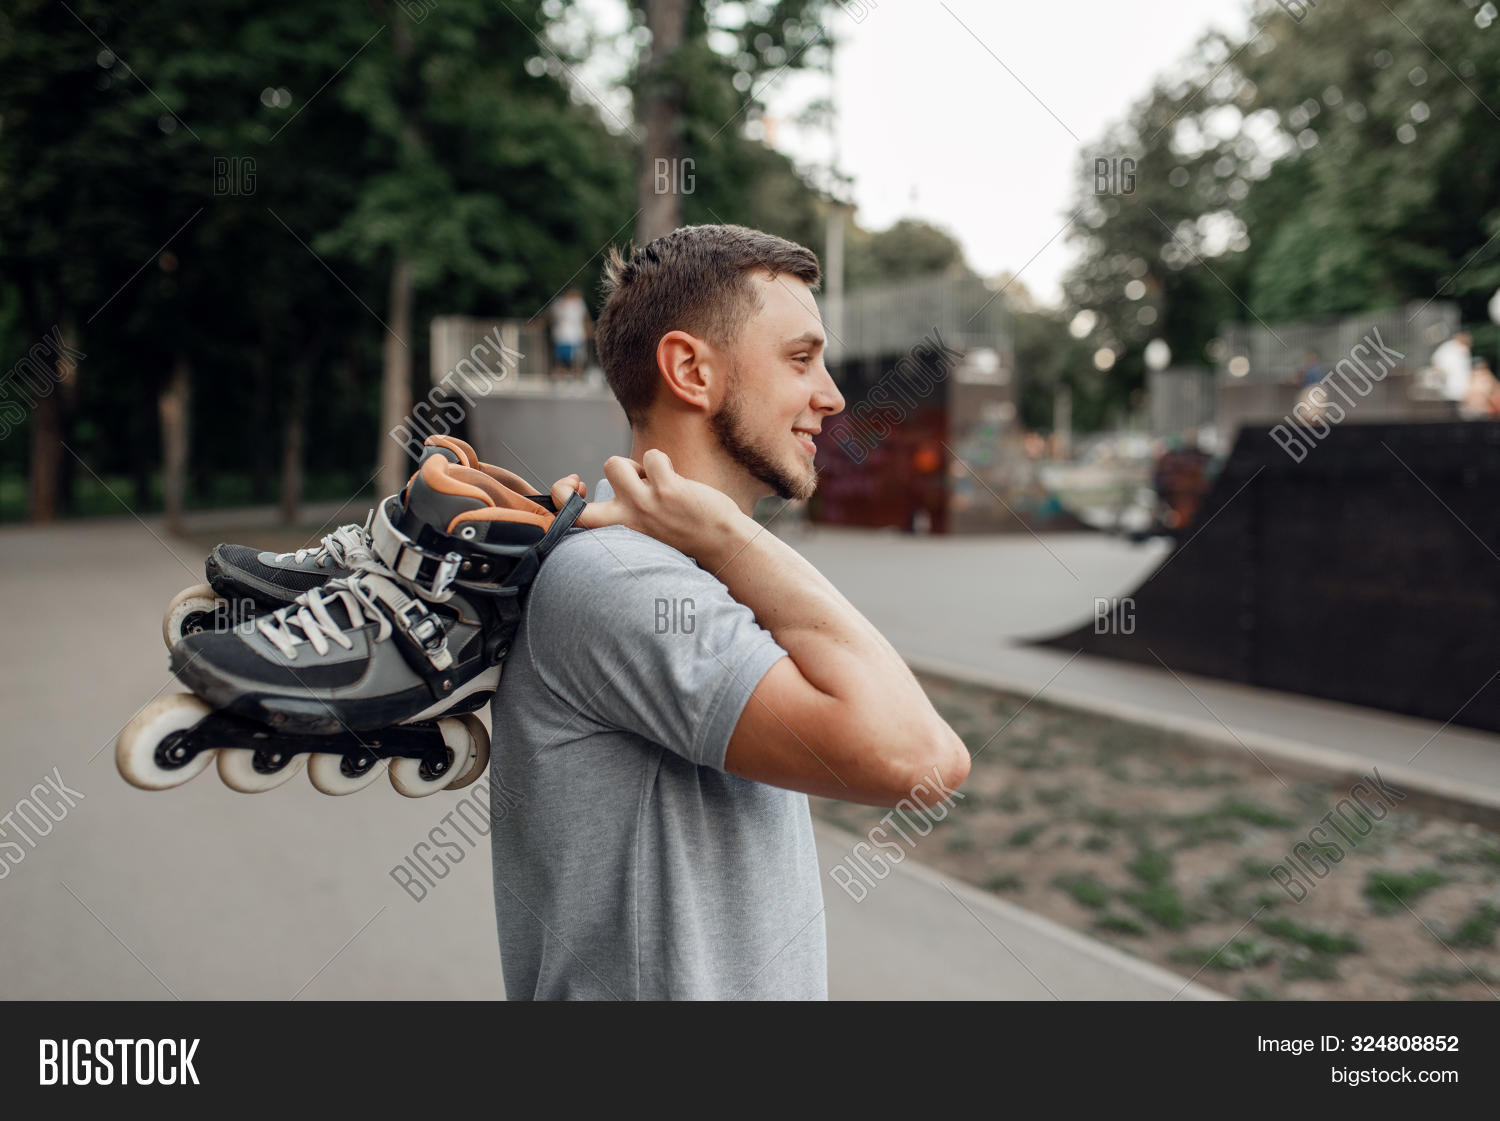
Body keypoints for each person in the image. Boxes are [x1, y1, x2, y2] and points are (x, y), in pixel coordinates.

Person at [488, 224, 971, 1000]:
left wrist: (725, 540)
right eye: (799, 358)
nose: (833, 396)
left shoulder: (687, 565)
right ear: (690, 370)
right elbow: (924, 762)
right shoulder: (623, 578)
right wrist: (730, 535)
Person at [548, 286, 591, 379]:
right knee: (560, 359)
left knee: (577, 360)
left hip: (576, 336)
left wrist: (588, 330)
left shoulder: (580, 304)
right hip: (562, 336)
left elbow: (585, 319)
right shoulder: (559, 303)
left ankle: (577, 376)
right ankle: (559, 376)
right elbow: (551, 316)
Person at [1431, 330, 1473, 417]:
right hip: (1451, 387)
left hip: (1462, 388)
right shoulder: (1448, 348)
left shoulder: (1464, 349)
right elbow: (1436, 362)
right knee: (1452, 411)